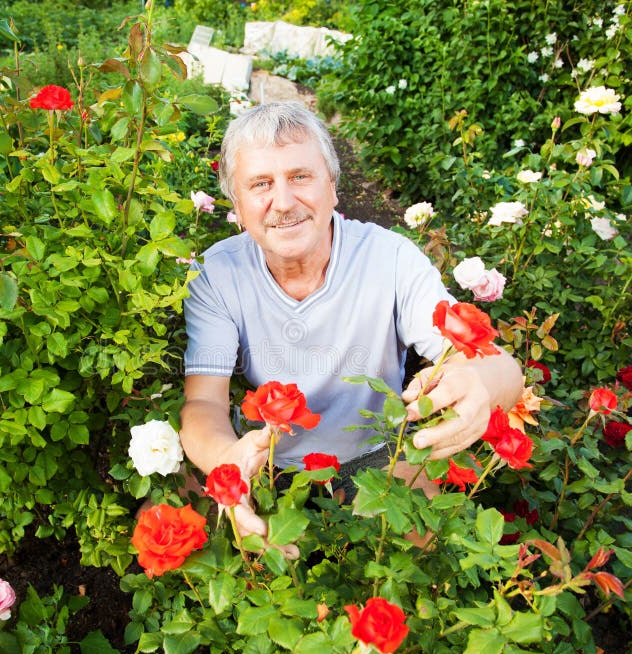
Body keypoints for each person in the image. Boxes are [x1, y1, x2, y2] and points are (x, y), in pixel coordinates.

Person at [180, 101, 523, 541]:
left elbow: (496, 365)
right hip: (263, 460)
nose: (283, 202)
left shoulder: (391, 259)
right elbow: (204, 404)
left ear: (333, 187)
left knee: (424, 557)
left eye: (300, 177)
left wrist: (482, 385)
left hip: (377, 455)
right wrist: (230, 462)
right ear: (237, 206)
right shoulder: (217, 274)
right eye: (261, 184)